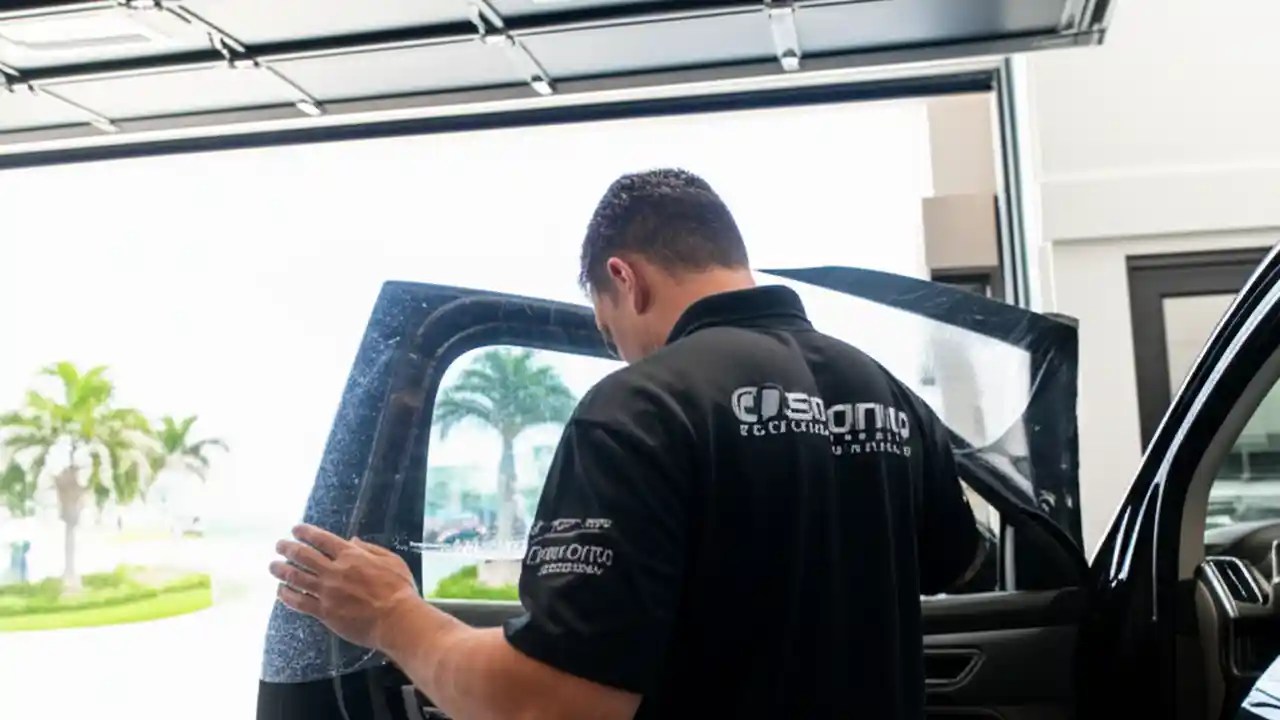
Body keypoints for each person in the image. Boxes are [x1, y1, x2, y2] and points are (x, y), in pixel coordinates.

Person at [271, 168, 981, 719]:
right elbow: (953, 562)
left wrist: (393, 615)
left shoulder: (641, 408)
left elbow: (549, 706)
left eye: (611, 334)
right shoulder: (888, 394)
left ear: (624, 278)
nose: (622, 356)